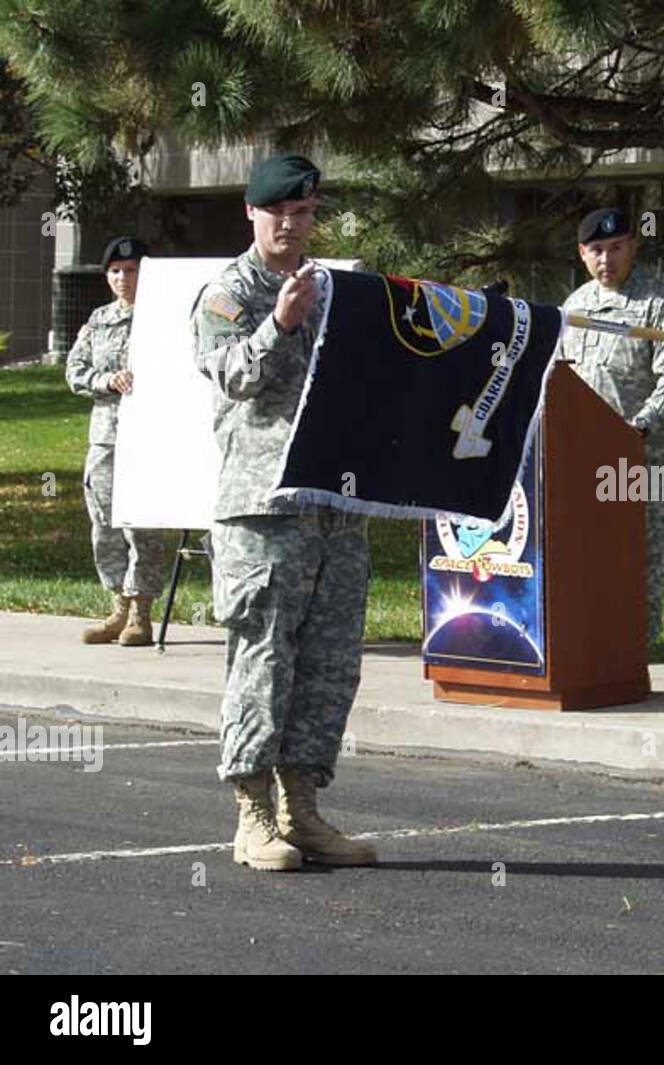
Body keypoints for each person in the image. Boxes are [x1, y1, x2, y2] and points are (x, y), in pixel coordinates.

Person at [191, 154, 375, 872]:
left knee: (329, 666)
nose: (292, 226)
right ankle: (252, 814)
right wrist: (278, 322)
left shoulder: (332, 288)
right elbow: (231, 373)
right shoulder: (226, 292)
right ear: (252, 212)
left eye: (304, 214)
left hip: (332, 507)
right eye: (280, 214)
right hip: (262, 513)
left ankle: (302, 809)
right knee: (263, 663)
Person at [560, 207, 664, 642]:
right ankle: (592, 640)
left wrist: (638, 427)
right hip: (583, 453)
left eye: (616, 248)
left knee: (641, 554)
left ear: (633, 246)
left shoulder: (659, 305)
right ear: (582, 253)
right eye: (596, 250)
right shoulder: (575, 306)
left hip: (642, 458)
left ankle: (640, 645)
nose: (606, 259)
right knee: (584, 551)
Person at [65, 236, 166, 647]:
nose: (123, 278)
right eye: (116, 271)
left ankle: (142, 613)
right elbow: (75, 369)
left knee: (140, 525)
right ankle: (118, 607)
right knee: (104, 524)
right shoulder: (99, 319)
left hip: (150, 436)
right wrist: (104, 380)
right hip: (106, 438)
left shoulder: (166, 318)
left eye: (132, 270)